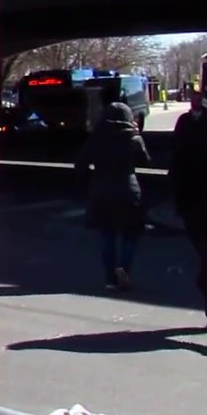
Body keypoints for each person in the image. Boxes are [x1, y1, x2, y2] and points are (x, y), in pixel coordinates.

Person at [74, 102, 152, 291]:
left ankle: (110, 278)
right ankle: (123, 268)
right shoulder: (133, 139)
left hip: (101, 190)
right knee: (130, 235)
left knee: (107, 236)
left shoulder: (96, 139)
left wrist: (89, 181)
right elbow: (146, 161)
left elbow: (80, 166)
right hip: (128, 189)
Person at [170, 82, 207, 326]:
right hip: (205, 209)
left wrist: (182, 206)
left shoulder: (191, 131)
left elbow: (179, 172)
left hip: (201, 212)